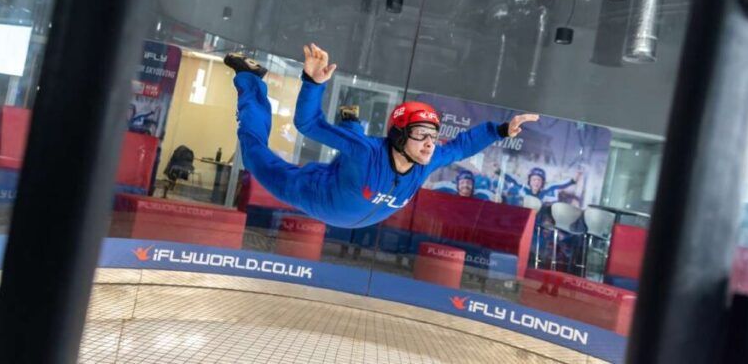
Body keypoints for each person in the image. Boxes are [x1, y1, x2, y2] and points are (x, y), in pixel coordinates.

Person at [227, 43, 539, 228]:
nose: (430, 142)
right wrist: (313, 82)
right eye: (420, 134)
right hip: (314, 194)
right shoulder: (368, 152)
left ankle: (351, 123)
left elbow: (461, 146)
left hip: (349, 185)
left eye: (433, 134)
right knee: (255, 157)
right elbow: (309, 125)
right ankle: (250, 79)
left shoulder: (425, 162)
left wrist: (500, 130)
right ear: (400, 136)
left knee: (351, 150)